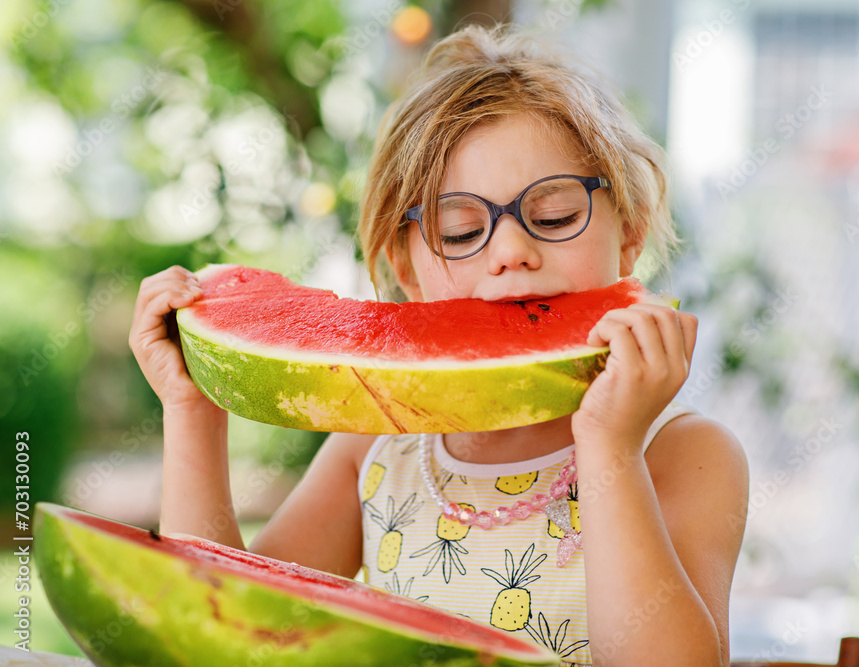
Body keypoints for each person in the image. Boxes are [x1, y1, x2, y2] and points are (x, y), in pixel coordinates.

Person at [129, 24, 749, 667]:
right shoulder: (376, 447)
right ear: (404, 267)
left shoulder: (685, 454)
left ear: (629, 233)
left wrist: (609, 445)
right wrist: (193, 408)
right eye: (460, 231)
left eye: (556, 216)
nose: (512, 252)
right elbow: (231, 632)